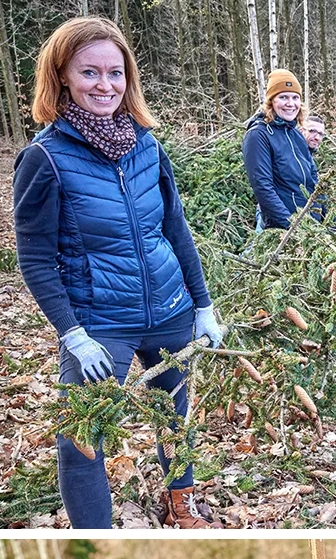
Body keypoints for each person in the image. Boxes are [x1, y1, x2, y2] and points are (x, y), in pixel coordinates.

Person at [13, 16, 222, 529]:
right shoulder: (44, 158)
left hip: (170, 309)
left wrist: (202, 304)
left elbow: (176, 228)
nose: (104, 85)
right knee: (82, 438)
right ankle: (97, 535)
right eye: (89, 73)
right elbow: (35, 258)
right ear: (61, 75)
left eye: (115, 73)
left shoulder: (147, 145)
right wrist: (73, 335)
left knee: (175, 415)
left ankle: (182, 505)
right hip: (101, 326)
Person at [241, 70, 320, 229]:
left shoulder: (296, 135)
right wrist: (292, 227)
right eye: (283, 97)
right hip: (281, 231)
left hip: (311, 227)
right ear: (271, 101)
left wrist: (328, 222)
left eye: (295, 97)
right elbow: (264, 189)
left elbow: (314, 181)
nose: (290, 104)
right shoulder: (258, 135)